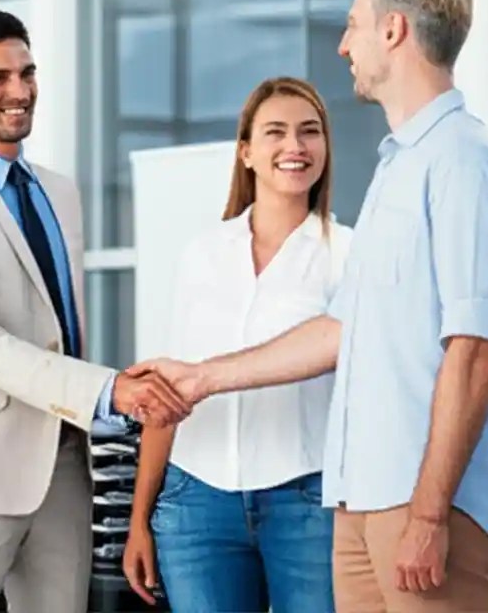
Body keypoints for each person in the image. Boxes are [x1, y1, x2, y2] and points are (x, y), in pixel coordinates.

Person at [128, 0, 488, 612]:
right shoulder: (397, 171)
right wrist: (201, 378)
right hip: (358, 501)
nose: (343, 44)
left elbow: (474, 350)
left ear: (393, 31)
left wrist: (429, 512)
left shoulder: (463, 165)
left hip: (416, 503)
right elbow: (337, 332)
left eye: (353, 26)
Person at [0, 9, 190, 613]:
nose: (20, 91)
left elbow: (55, 330)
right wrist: (110, 390)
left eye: (27, 73)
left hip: (66, 470)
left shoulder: (59, 191)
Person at [121, 76, 351, 612]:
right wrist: (139, 519)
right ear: (246, 152)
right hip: (196, 504)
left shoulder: (349, 255)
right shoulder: (201, 255)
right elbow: (167, 392)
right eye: (276, 132)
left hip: (309, 504)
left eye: (309, 132)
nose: (294, 147)